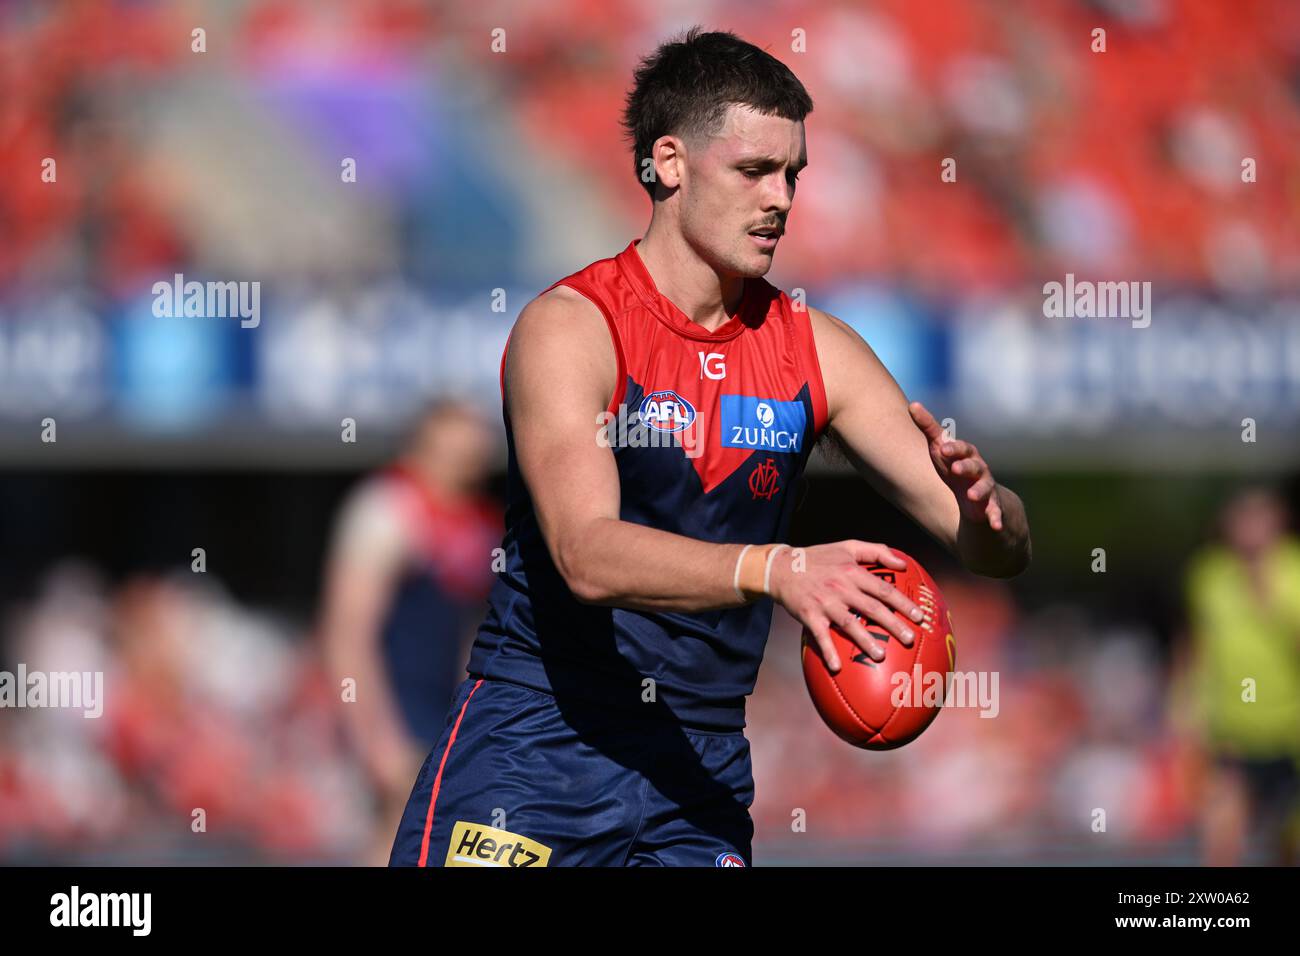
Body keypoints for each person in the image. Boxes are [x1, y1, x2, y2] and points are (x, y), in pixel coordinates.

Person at [390, 27, 1031, 868]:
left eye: (793, 174)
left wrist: (991, 509)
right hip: (536, 740)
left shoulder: (816, 349)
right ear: (670, 163)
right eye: (754, 170)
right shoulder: (573, 329)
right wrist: (778, 569)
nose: (782, 200)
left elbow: (992, 548)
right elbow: (586, 553)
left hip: (700, 769)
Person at [321, 400, 500, 865]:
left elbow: (471, 630)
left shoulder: (478, 522)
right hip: (392, 713)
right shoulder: (387, 510)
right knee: (391, 841)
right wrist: (377, 739)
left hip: (441, 717)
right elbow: (347, 634)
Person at [1183, 484, 1300, 865]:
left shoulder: (1293, 569)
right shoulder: (1210, 575)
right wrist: (1189, 707)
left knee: (1286, 843)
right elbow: (1199, 646)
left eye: (1259, 518)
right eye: (1241, 519)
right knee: (1220, 836)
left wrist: (1266, 594)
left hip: (1288, 730)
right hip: (1232, 731)